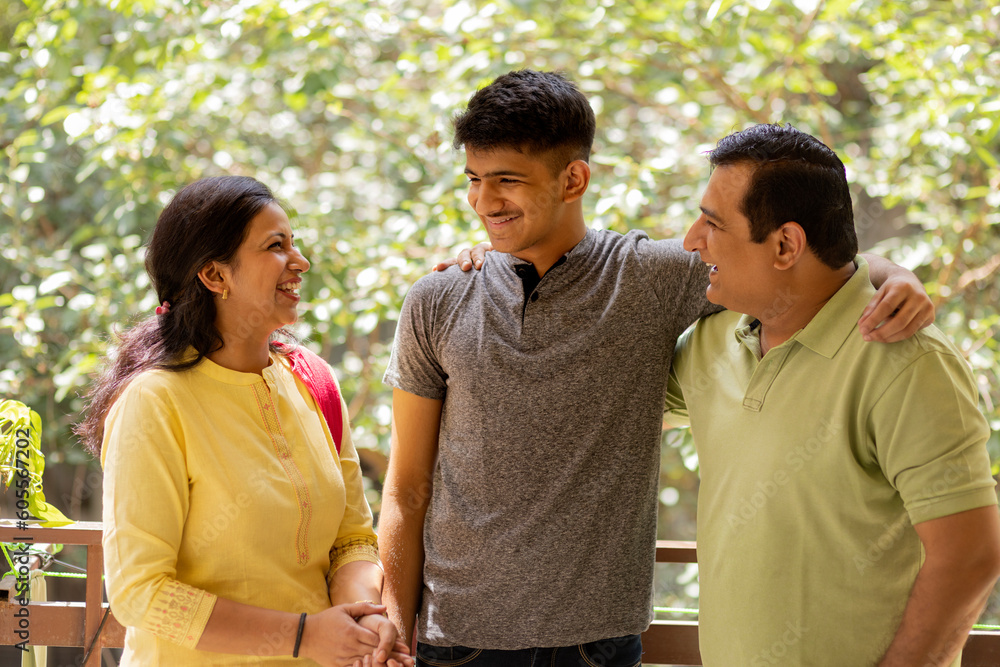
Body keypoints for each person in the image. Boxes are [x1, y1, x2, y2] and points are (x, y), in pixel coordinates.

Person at [378, 70, 933, 665]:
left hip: (598, 646)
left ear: (574, 178)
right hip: (456, 640)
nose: (484, 202)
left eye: (506, 181)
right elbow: (407, 489)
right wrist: (393, 625)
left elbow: (803, 263)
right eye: (474, 180)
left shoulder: (650, 277)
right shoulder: (437, 299)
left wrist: (896, 274)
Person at [663, 123, 1000, 666]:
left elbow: (971, 556)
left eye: (712, 222)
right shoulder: (711, 341)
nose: (690, 240)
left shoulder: (908, 362)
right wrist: (510, 265)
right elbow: (610, 406)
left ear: (785, 245)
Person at [78, 176, 412, 667]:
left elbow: (352, 539)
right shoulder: (155, 402)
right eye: (276, 246)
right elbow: (140, 593)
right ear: (215, 276)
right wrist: (304, 636)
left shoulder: (311, 381)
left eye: (293, 243)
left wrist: (361, 618)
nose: (300, 262)